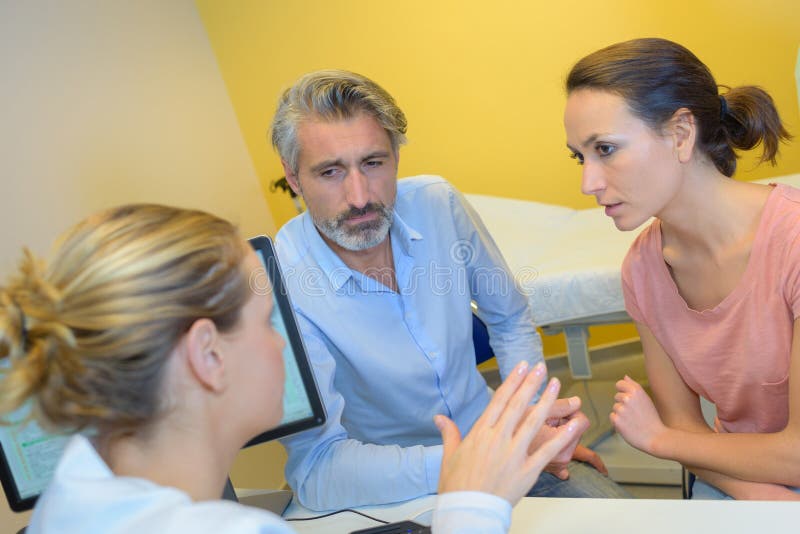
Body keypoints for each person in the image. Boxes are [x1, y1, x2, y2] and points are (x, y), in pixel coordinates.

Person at [0, 203, 578, 533]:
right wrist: (471, 506)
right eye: (266, 321)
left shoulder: (74, 489)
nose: (283, 345)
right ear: (207, 355)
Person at [270, 69, 628, 511]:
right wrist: (482, 458)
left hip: (500, 443)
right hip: (386, 488)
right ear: (292, 176)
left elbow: (510, 317)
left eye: (374, 163)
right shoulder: (280, 284)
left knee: (621, 518)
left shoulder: (438, 205)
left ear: (397, 156)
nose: (360, 197)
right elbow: (318, 470)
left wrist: (532, 425)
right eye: (330, 171)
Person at [563, 37, 800, 500]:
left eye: (606, 149)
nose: (588, 182)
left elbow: (795, 451)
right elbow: (684, 423)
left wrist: (658, 441)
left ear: (681, 133)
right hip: (737, 476)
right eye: (580, 156)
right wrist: (760, 497)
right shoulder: (644, 269)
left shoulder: (792, 242)